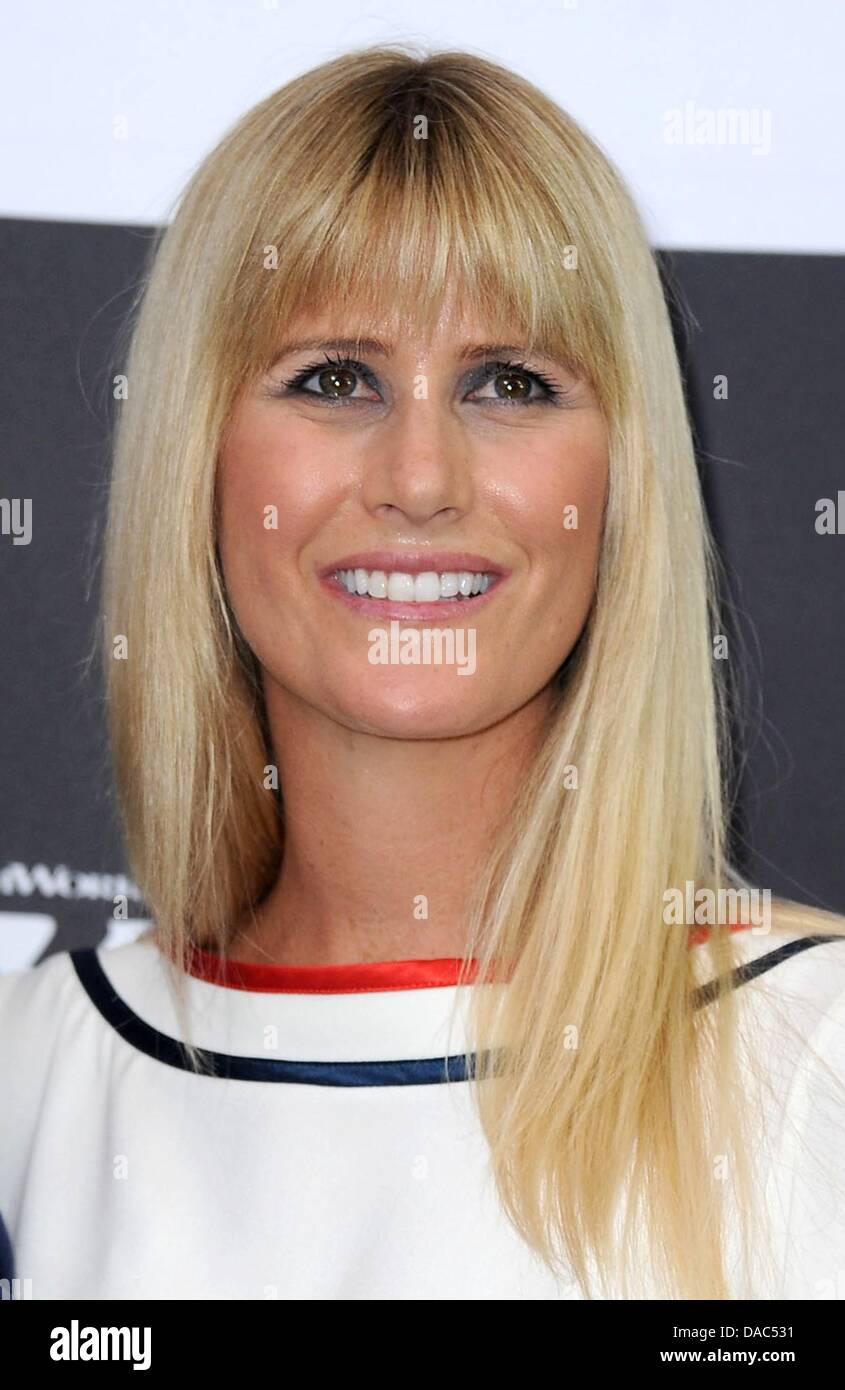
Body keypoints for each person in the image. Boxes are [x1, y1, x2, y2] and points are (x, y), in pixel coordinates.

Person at [1, 44, 843, 1302]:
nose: (419, 475)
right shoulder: (30, 1077)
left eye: (510, 383)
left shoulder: (813, 1056)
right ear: (200, 454)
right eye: (333, 379)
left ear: (620, 484)